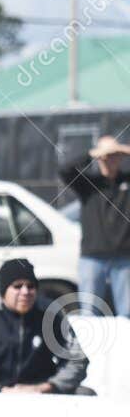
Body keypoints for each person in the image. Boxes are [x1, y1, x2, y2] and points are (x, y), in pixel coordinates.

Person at [0, 258, 90, 395]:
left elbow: (77, 360)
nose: (25, 292)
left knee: (86, 394)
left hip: (40, 393)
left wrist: (48, 387)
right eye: (17, 286)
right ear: (3, 291)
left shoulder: (51, 313)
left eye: (31, 286)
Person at [59, 135, 130, 317]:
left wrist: (124, 150)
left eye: (114, 155)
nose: (109, 159)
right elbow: (65, 170)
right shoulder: (88, 184)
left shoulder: (126, 181)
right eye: (106, 156)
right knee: (90, 312)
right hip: (93, 257)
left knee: (127, 313)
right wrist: (93, 153)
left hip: (124, 257)